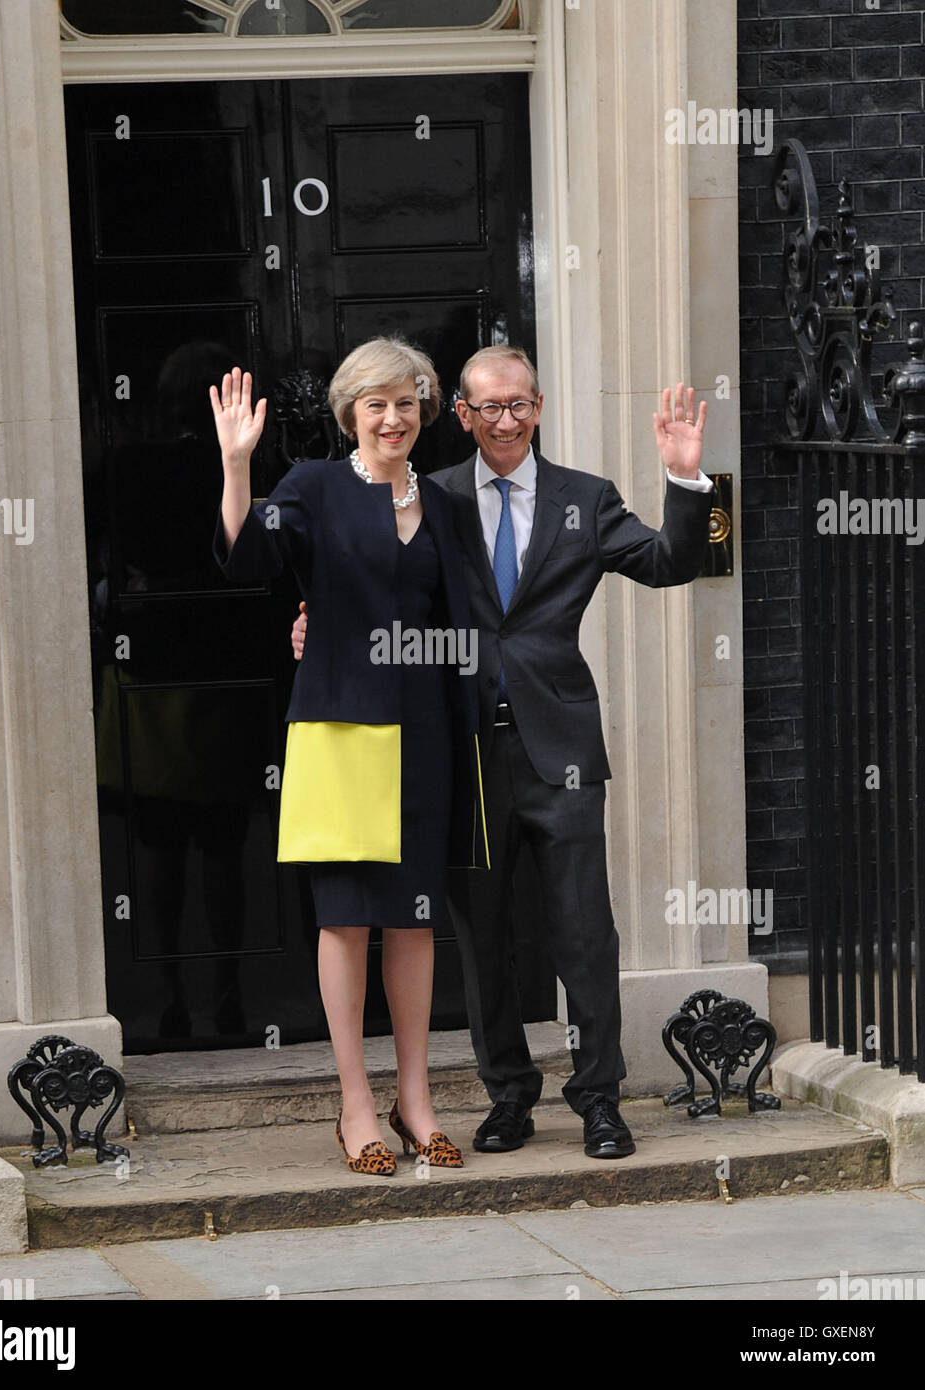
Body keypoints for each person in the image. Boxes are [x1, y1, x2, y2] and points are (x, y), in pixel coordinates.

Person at [293, 343, 712, 1161]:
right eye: (487, 406)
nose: (505, 419)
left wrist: (686, 482)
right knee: (483, 935)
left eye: (519, 403)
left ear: (539, 406)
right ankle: (508, 1097)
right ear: (462, 415)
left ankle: (598, 1098)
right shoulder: (432, 495)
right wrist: (318, 625)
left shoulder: (584, 500)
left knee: (582, 930)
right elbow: (376, 586)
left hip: (560, 747)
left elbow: (669, 563)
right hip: (462, 749)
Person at [210, 338, 488, 1177]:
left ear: (425, 411)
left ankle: (416, 1102)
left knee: (412, 918)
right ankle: (354, 1107)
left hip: (423, 732)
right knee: (344, 916)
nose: (393, 417)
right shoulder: (314, 487)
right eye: (376, 403)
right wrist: (235, 467)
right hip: (336, 728)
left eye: (406, 402)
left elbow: (462, 620)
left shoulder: (443, 504)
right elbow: (246, 561)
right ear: (349, 413)